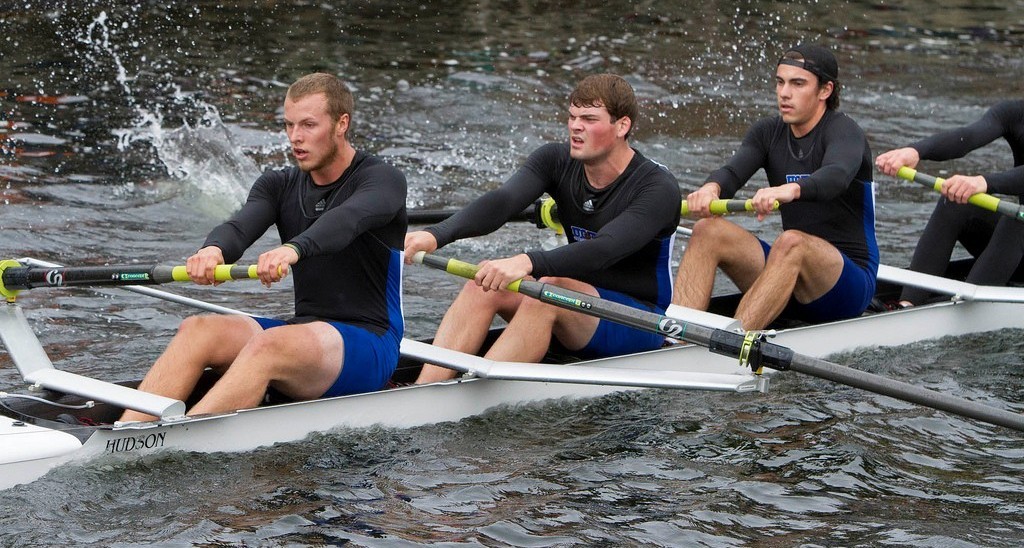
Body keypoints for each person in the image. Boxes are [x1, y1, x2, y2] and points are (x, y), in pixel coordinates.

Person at [120, 73, 407, 422]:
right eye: (288, 125)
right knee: (197, 330)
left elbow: (346, 221)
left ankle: (178, 443)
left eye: (308, 125)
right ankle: (131, 430)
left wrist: (293, 249)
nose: (295, 137)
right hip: (304, 332)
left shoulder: (383, 180)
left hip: (371, 341)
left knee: (266, 347)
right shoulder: (278, 184)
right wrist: (213, 251)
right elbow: (241, 226)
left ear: (341, 124)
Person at [404, 73, 681, 384]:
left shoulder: (657, 188)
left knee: (548, 291)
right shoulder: (556, 160)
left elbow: (605, 249)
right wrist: (436, 234)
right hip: (571, 307)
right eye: (573, 116)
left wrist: (527, 261)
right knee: (484, 282)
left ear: (622, 126)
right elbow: (503, 202)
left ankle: (468, 394)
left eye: (589, 119)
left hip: (637, 322)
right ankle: (424, 388)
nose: (576, 126)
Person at [673, 44, 878, 331]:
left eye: (797, 84)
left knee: (791, 240)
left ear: (825, 90)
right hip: (790, 276)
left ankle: (731, 346)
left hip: (847, 285)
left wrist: (790, 190)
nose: (784, 93)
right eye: (780, 82)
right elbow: (732, 172)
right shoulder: (768, 132)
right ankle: (677, 338)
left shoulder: (844, 132)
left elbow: (837, 176)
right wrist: (711, 189)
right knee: (708, 230)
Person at [875, 100, 1024, 307]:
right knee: (956, 200)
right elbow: (967, 137)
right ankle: (907, 305)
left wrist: (984, 182)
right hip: (1019, 252)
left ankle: (964, 309)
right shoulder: (1015, 112)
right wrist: (915, 151)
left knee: (1017, 221)